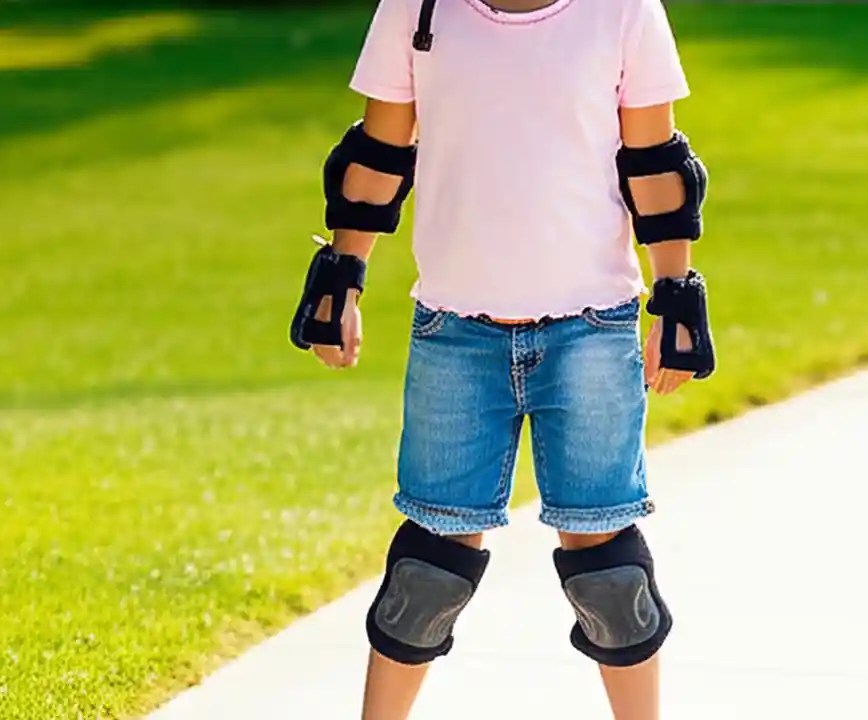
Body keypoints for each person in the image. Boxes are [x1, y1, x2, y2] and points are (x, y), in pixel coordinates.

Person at [290, 0, 715, 717]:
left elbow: (654, 164)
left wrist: (675, 293)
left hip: (590, 334)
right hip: (455, 335)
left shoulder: (624, 11)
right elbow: (380, 149)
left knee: (611, 580)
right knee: (426, 574)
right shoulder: (417, 9)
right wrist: (341, 274)